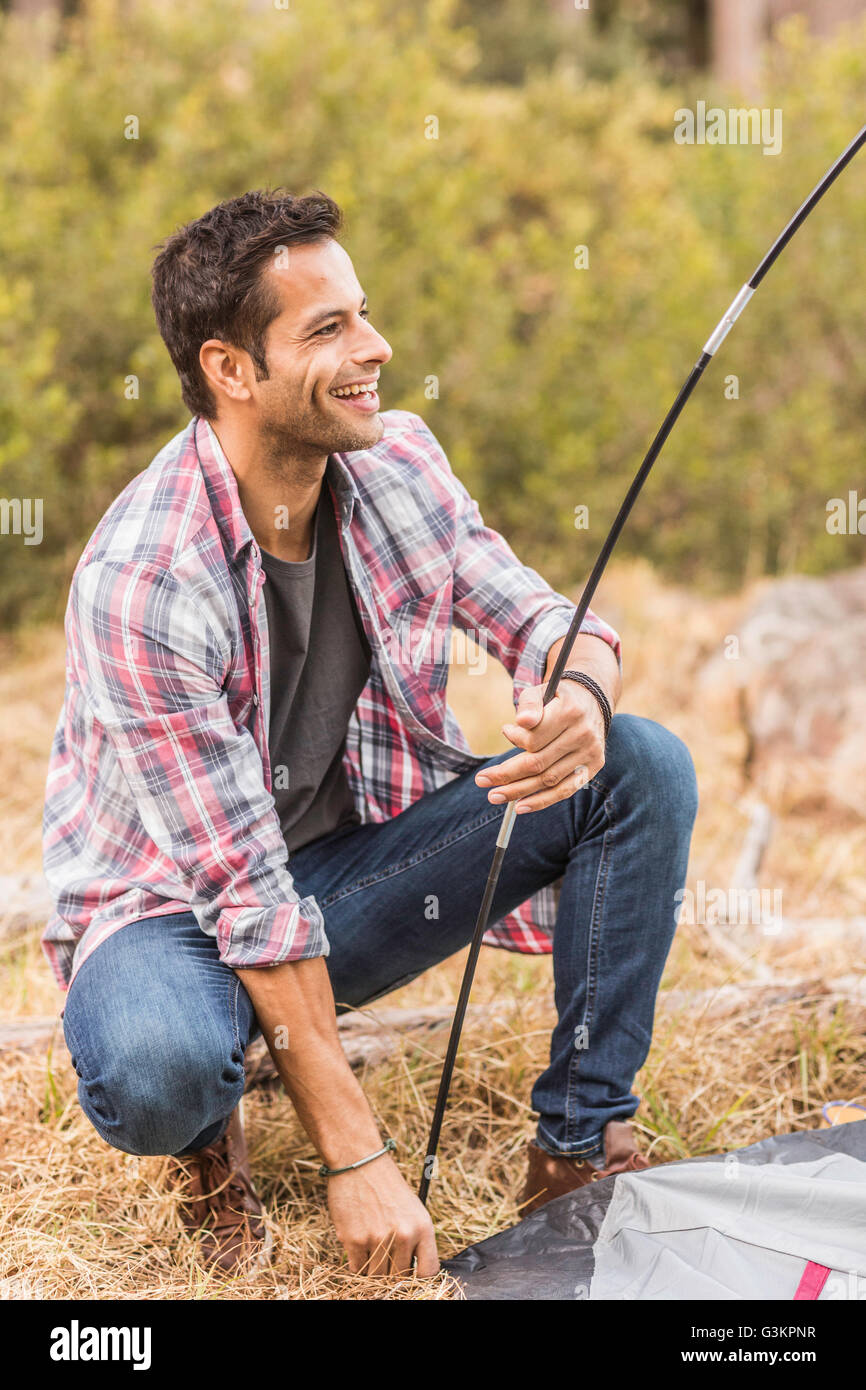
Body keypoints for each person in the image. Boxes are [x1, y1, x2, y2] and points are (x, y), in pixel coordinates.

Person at [42, 189, 699, 1279]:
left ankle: (580, 1146)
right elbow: (242, 891)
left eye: (364, 313)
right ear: (230, 370)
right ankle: (210, 1128)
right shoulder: (143, 583)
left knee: (640, 764)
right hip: (171, 914)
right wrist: (357, 1158)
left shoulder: (396, 460)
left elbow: (541, 617)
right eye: (328, 329)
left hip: (346, 878)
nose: (375, 348)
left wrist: (578, 690)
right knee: (160, 1069)